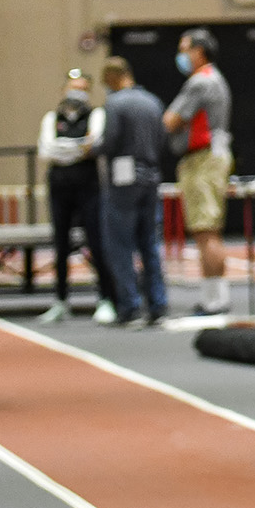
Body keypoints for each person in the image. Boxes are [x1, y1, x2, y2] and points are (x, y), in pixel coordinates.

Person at [92, 56, 168, 327]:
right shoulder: (153, 101)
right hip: (151, 175)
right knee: (149, 242)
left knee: (119, 245)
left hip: (123, 178)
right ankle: (158, 304)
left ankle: (130, 306)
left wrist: (92, 149)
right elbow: (162, 139)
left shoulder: (115, 103)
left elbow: (110, 140)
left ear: (113, 78)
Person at [37, 70, 117, 324]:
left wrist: (71, 148)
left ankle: (105, 299)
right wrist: (78, 148)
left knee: (96, 241)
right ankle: (61, 300)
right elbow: (47, 150)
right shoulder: (52, 118)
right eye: (73, 86)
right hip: (60, 187)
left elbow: (94, 145)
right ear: (64, 90)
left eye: (82, 87)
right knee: (60, 245)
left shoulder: (97, 115)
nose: (77, 92)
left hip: (89, 187)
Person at [163, 28, 233, 315]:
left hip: (202, 160)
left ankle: (215, 300)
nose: (181, 55)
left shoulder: (200, 82)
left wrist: (170, 120)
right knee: (208, 230)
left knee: (206, 231)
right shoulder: (215, 80)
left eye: (185, 49)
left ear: (199, 51)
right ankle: (213, 297)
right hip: (210, 159)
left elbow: (170, 120)